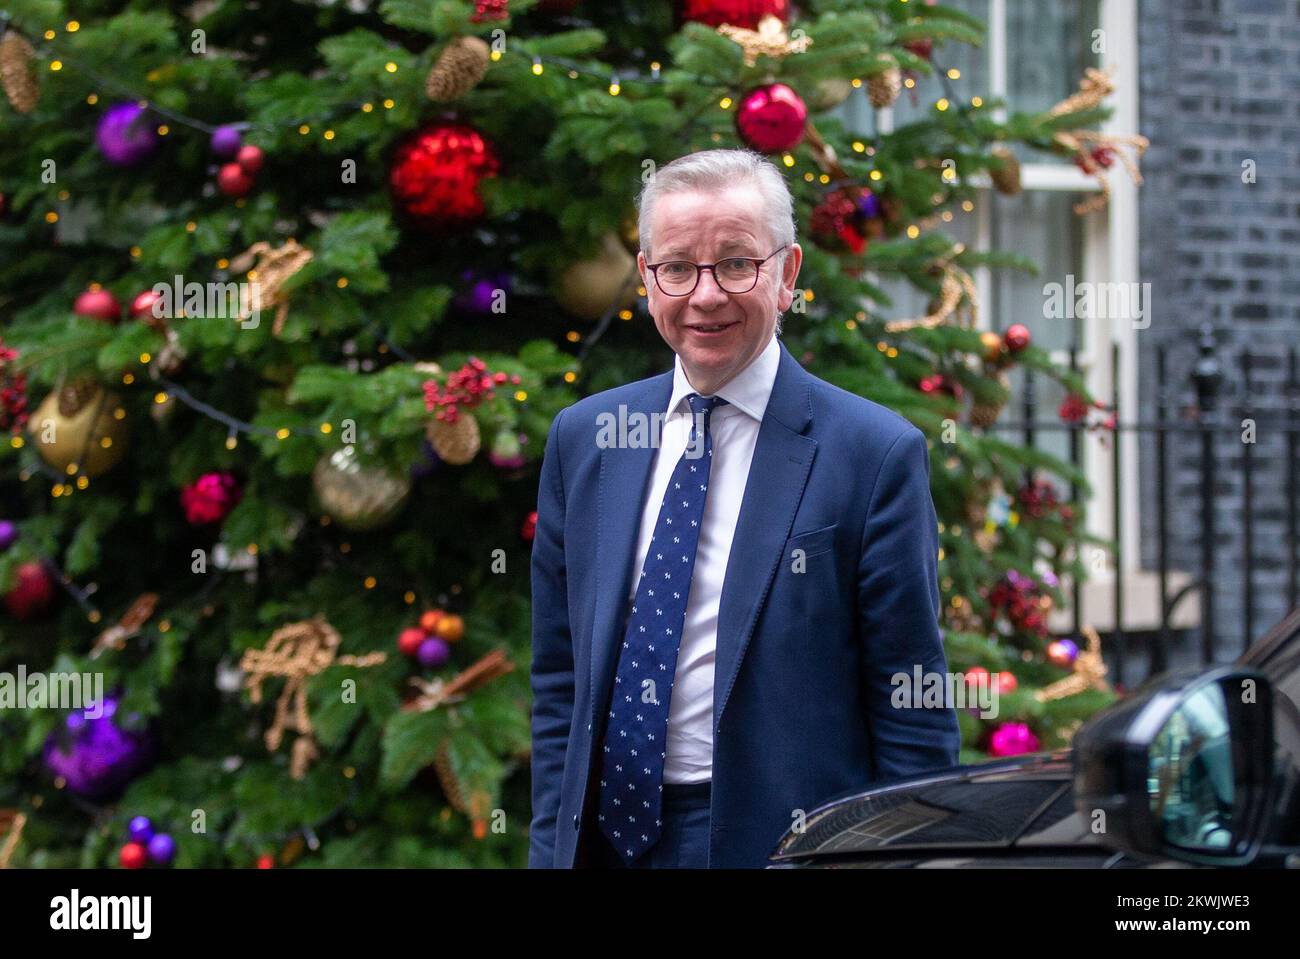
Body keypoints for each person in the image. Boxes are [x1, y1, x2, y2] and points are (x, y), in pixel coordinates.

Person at [529, 148, 960, 869]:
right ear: (646, 277)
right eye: (677, 267)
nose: (705, 295)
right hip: (603, 839)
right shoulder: (587, 439)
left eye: (736, 264)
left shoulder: (871, 454)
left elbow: (910, 705)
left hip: (778, 845)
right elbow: (558, 684)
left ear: (787, 274)